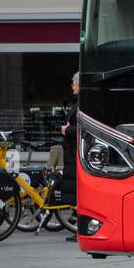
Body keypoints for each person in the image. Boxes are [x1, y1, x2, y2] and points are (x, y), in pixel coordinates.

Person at [59, 73, 79, 240]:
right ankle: (78, 224)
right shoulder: (79, 103)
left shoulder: (82, 104)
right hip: (72, 153)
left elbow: (82, 128)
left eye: (73, 83)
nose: (72, 86)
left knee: (79, 191)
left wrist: (67, 130)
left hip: (75, 154)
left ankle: (80, 228)